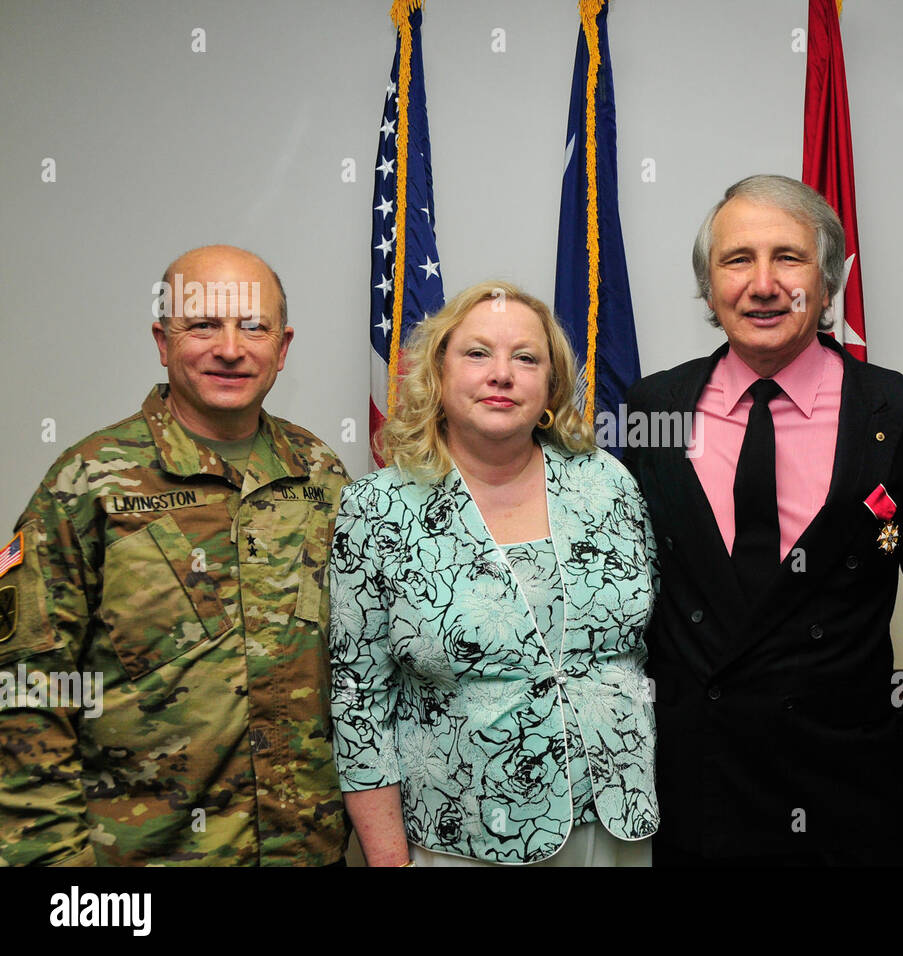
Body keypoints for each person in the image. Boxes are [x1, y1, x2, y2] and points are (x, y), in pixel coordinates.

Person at [623, 174, 903, 866]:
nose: (762, 284)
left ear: (829, 279)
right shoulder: (649, 410)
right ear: (709, 285)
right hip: (696, 779)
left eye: (787, 257)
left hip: (848, 778)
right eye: (737, 259)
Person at [0, 245, 349, 865]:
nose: (231, 348)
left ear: (283, 346)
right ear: (163, 340)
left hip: (305, 854)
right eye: (203, 324)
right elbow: (25, 693)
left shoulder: (320, 476)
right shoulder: (88, 483)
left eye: (253, 326)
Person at [329, 280, 657, 867]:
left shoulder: (607, 483)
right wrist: (386, 859)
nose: (501, 374)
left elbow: (653, 644)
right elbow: (359, 700)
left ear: (552, 385)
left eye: (526, 358)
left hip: (617, 827)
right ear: (437, 373)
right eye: (477, 353)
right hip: (460, 833)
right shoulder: (377, 509)